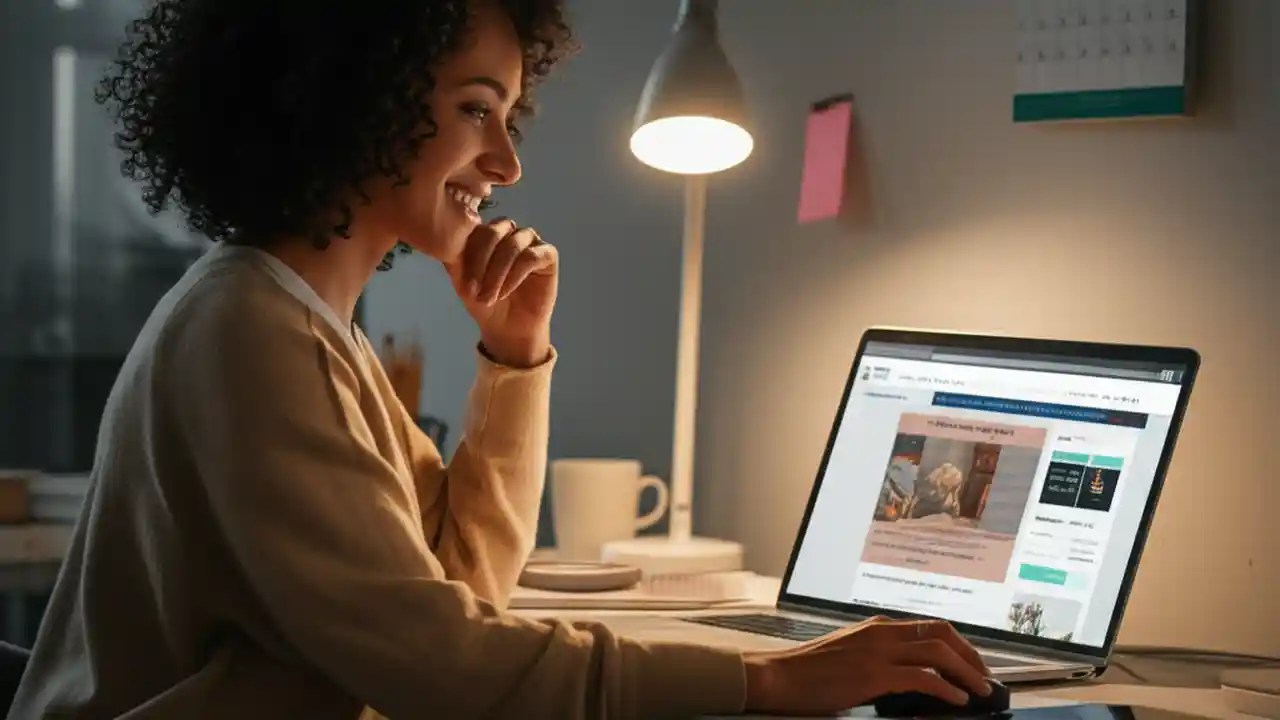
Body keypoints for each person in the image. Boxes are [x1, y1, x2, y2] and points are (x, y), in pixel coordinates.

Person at [9, 1, 995, 718]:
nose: (506, 163)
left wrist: (512, 359)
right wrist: (771, 679)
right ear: (358, 101)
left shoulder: (303, 324)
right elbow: (441, 667)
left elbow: (461, 591)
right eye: (475, 109)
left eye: (505, 115)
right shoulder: (247, 332)